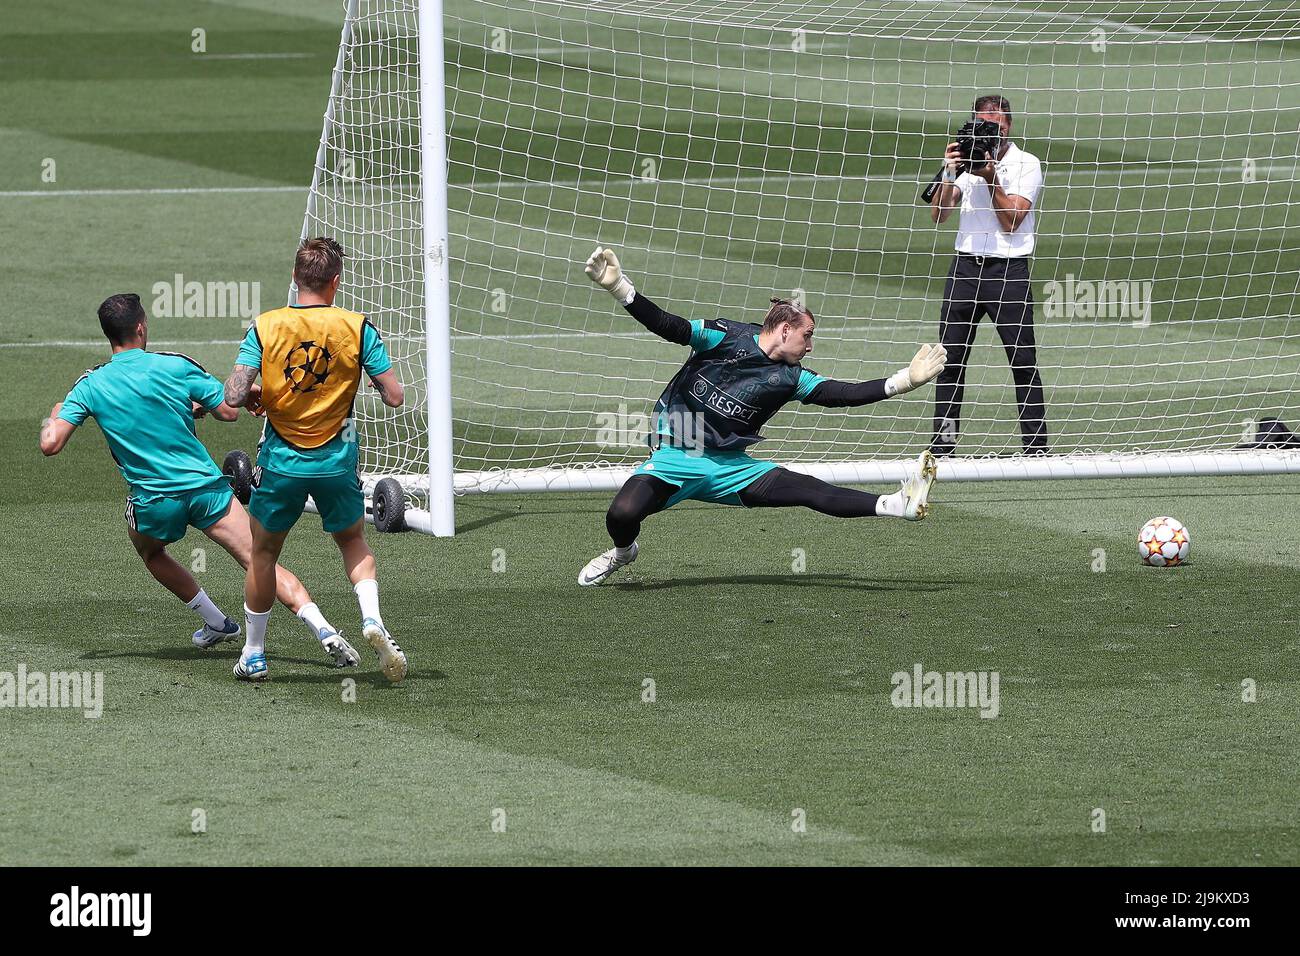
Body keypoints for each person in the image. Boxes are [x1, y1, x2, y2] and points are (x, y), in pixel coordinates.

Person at [577, 246, 948, 586]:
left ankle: (896, 504)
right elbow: (669, 326)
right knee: (621, 515)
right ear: (786, 330)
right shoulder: (724, 336)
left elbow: (842, 394)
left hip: (730, 469)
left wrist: (904, 381)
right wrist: (620, 288)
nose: (811, 345)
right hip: (678, 455)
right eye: (808, 335)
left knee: (808, 490)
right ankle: (624, 553)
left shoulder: (792, 378)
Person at [39, 293, 359, 667]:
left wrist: (55, 414)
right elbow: (229, 411)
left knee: (151, 551)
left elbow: (51, 444)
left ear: (109, 335)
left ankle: (216, 621)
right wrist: (204, 404)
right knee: (259, 561)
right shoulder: (176, 365)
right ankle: (323, 628)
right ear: (141, 328)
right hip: (209, 490)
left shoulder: (91, 384)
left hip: (155, 502)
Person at [223, 237, 408, 682]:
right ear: (336, 282)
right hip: (337, 459)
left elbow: (231, 398)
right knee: (351, 541)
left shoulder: (266, 327)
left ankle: (254, 654)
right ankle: (372, 619)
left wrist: (258, 391)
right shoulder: (357, 327)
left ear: (294, 277)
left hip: (282, 459)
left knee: (264, 553)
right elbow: (396, 396)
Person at [928, 94, 1047, 456]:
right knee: (949, 362)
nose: (986, 130)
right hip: (965, 268)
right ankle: (943, 446)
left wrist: (992, 177)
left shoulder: (1026, 163)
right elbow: (939, 215)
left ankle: (1037, 448)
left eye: (993, 124)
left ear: (1008, 125)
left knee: (1022, 360)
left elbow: (1012, 221)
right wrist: (950, 172)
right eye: (980, 123)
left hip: (1007, 270)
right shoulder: (965, 161)